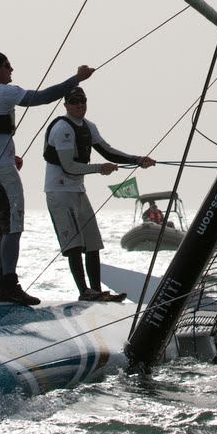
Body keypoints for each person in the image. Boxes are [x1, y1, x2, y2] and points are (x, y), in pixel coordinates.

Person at [0, 50, 94, 306]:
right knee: (12, 228)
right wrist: (76, 79)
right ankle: (9, 284)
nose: (11, 70)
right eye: (7, 65)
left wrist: (7, 154)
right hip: (2, 173)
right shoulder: (3, 91)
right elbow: (42, 97)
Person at [43, 86, 155, 302]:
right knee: (74, 245)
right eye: (74, 101)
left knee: (93, 242)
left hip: (78, 190)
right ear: (66, 105)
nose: (79, 105)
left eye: (83, 100)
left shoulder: (88, 126)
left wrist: (137, 160)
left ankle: (97, 290)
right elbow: (68, 166)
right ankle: (84, 291)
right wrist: (99, 168)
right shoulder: (62, 128)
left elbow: (107, 151)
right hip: (59, 191)